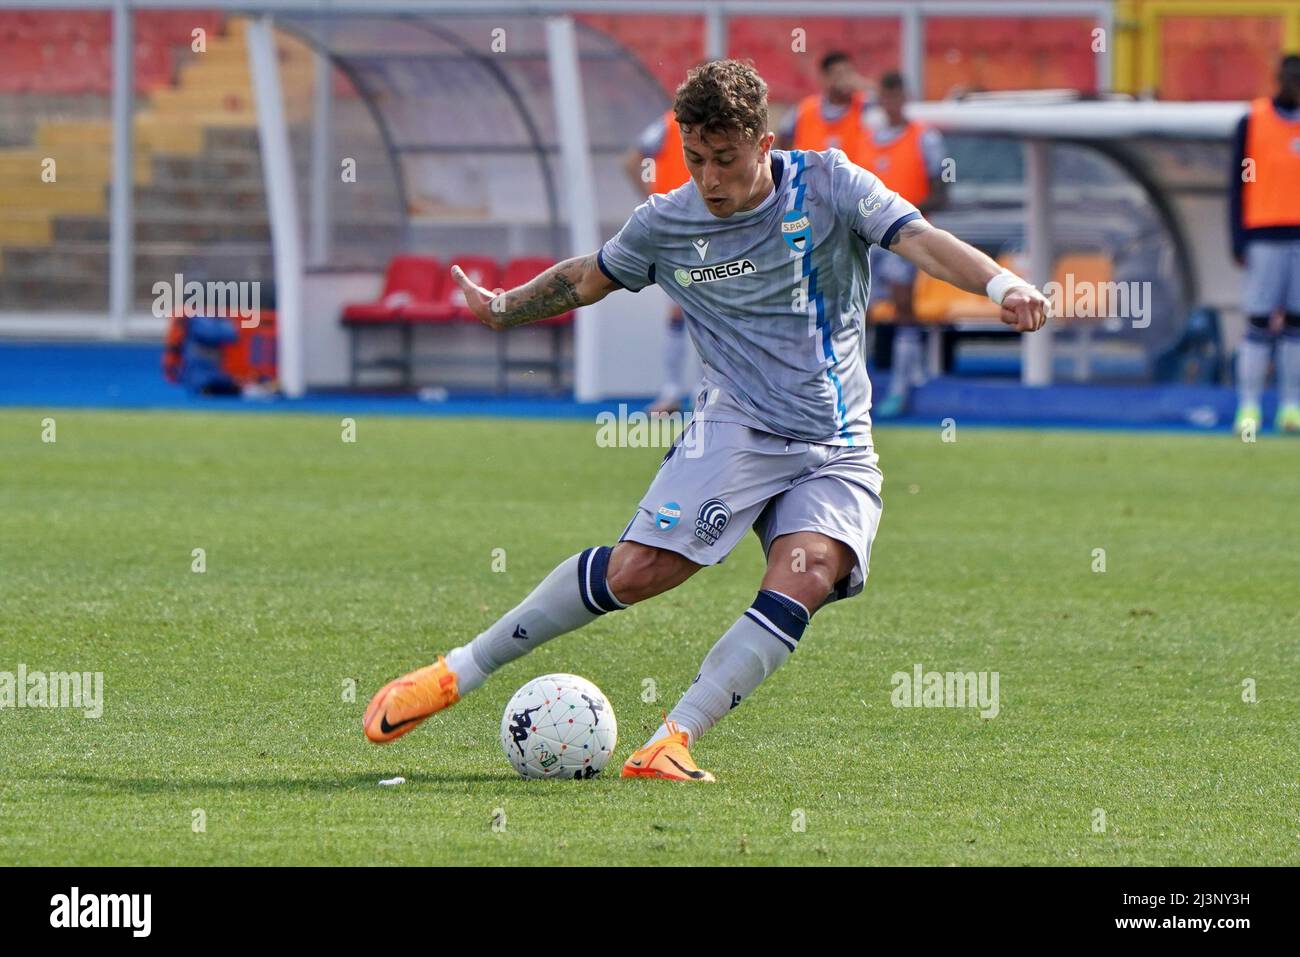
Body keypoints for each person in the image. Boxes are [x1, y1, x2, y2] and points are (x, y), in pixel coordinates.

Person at [364, 60, 1049, 781]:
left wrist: (1001, 284)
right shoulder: (666, 220)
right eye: (695, 159)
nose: (710, 178)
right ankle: (455, 672)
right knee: (639, 571)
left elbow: (919, 238)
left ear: (763, 141)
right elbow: (587, 276)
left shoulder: (829, 183)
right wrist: (505, 307)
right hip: (737, 427)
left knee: (811, 567)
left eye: (725, 159)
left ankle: (672, 739)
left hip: (837, 441)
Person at [859, 71, 948, 418]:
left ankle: (900, 386)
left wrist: (910, 215)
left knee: (901, 303)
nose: (891, 104)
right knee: (858, 310)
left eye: (896, 96)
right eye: (886, 96)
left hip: (904, 235)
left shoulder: (924, 138)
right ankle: (858, 387)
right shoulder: (868, 138)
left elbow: (942, 190)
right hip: (867, 236)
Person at [1231, 53, 1300, 435]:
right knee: (1258, 323)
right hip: (1264, 234)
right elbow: (1238, 181)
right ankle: (1249, 409)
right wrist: (1238, 237)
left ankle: (1291, 407)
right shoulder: (1254, 121)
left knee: (1296, 326)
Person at [623, 108, 695, 416]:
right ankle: (672, 392)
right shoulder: (668, 124)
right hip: (681, 232)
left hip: (715, 227)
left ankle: (712, 395)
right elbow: (632, 161)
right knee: (679, 311)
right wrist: (655, 203)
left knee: (711, 313)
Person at [775, 50, 871, 158]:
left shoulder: (865, 107)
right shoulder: (805, 109)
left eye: (848, 73)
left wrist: (863, 87)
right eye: (838, 74)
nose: (844, 80)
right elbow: (782, 138)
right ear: (824, 77)